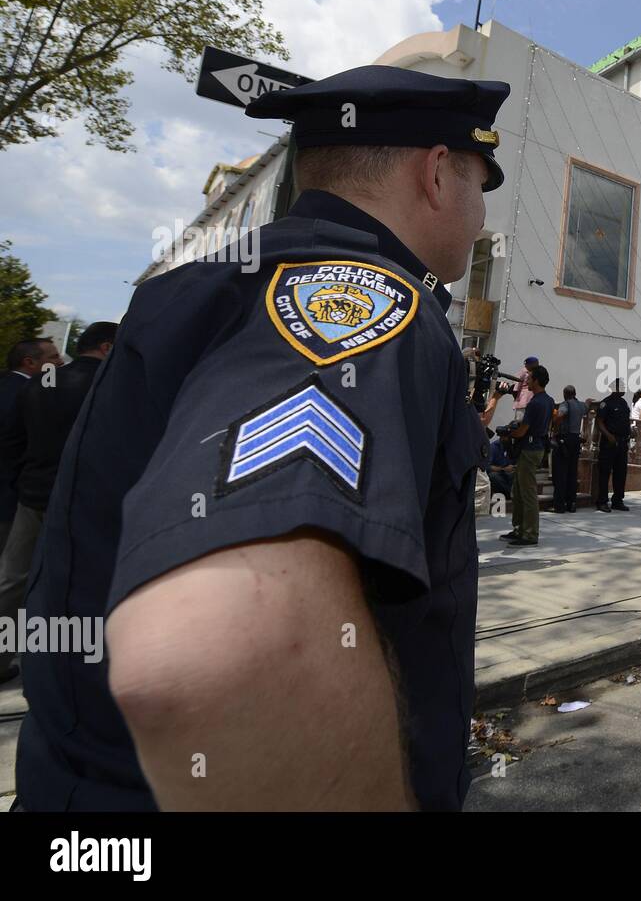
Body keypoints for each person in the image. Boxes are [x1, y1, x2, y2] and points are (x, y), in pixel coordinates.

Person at [14, 64, 511, 811]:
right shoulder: (359, 300)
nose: (478, 218)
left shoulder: (197, 287)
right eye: (480, 185)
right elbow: (227, 645)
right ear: (437, 173)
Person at [0, 323, 115, 679]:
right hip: (85, 497)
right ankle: (70, 668)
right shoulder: (112, 384)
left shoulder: (36, 385)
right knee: (81, 580)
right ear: (108, 347)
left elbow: (15, 441)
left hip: (31, 495)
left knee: (13, 579)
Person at [0, 339, 61, 555]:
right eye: (53, 357)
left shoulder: (8, 385)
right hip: (10, 494)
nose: (60, 362)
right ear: (30, 363)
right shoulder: (31, 393)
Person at [501, 364, 553, 546]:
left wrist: (508, 433)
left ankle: (529, 534)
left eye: (529, 378)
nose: (526, 381)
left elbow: (523, 431)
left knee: (527, 492)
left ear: (536, 380)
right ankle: (519, 529)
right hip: (536, 448)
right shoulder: (548, 400)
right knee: (518, 490)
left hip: (530, 449)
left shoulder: (535, 402)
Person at [594, 378, 630, 513]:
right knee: (604, 472)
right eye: (621, 386)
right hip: (609, 443)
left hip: (622, 442)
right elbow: (599, 422)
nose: (624, 389)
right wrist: (609, 436)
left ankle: (618, 500)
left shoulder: (623, 403)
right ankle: (602, 501)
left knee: (621, 473)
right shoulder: (606, 403)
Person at [551, 384, 586, 513]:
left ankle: (559, 505)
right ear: (575, 393)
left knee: (560, 473)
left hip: (564, 440)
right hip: (576, 440)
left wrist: (555, 427)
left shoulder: (565, 404)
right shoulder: (581, 405)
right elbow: (587, 407)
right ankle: (572, 503)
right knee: (572, 473)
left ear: (565, 394)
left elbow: (560, 415)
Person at [486, 435, 514, 500]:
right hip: (498, 473)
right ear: (502, 437)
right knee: (493, 476)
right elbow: (488, 466)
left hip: (509, 473)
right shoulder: (493, 447)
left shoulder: (511, 446)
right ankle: (509, 494)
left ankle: (510, 493)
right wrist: (503, 469)